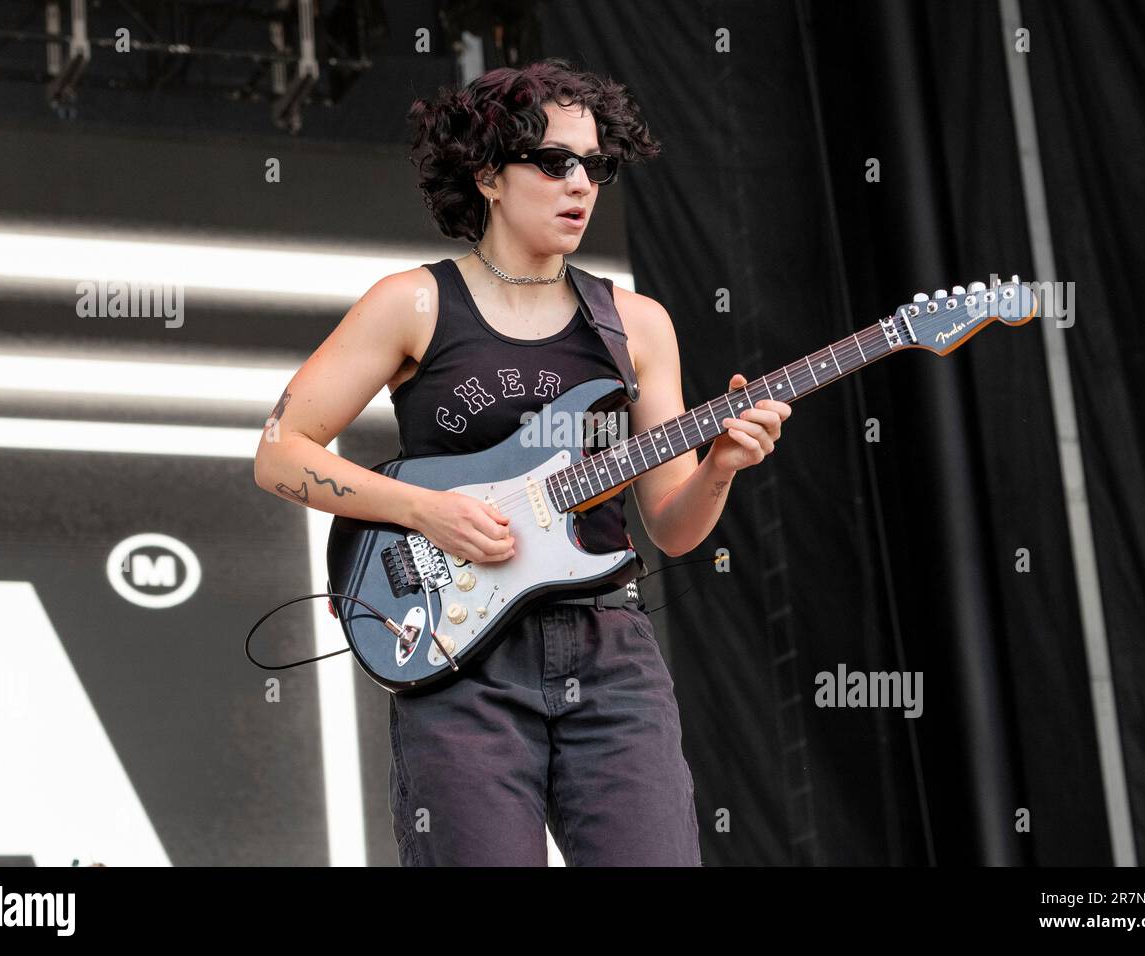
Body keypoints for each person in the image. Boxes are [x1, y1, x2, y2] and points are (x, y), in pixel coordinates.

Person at [253, 57, 790, 866]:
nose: (581, 183)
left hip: (610, 650)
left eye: (596, 165)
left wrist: (717, 466)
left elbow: (673, 531)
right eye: (554, 162)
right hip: (462, 657)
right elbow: (280, 455)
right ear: (488, 175)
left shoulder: (636, 324)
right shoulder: (415, 303)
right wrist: (424, 510)